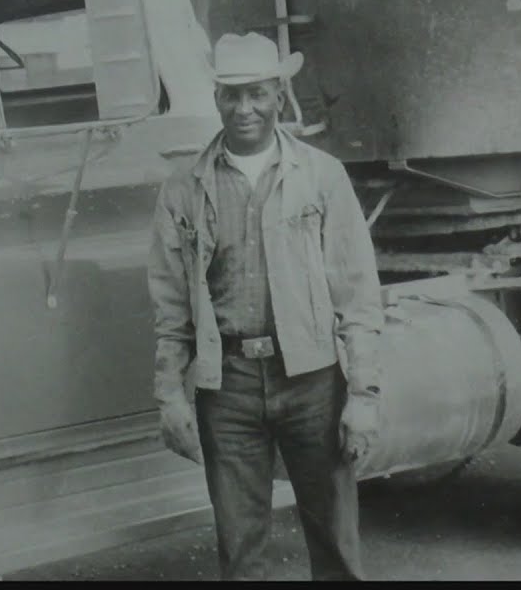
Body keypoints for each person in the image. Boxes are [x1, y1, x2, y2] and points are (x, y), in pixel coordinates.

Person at [147, 32, 386, 581]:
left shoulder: (322, 175)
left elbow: (357, 294)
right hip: (225, 385)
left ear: (279, 94)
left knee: (335, 542)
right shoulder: (184, 189)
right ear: (216, 100)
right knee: (240, 546)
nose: (244, 107)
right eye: (231, 94)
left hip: (310, 381)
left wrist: (364, 395)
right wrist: (170, 399)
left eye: (256, 93)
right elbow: (170, 307)